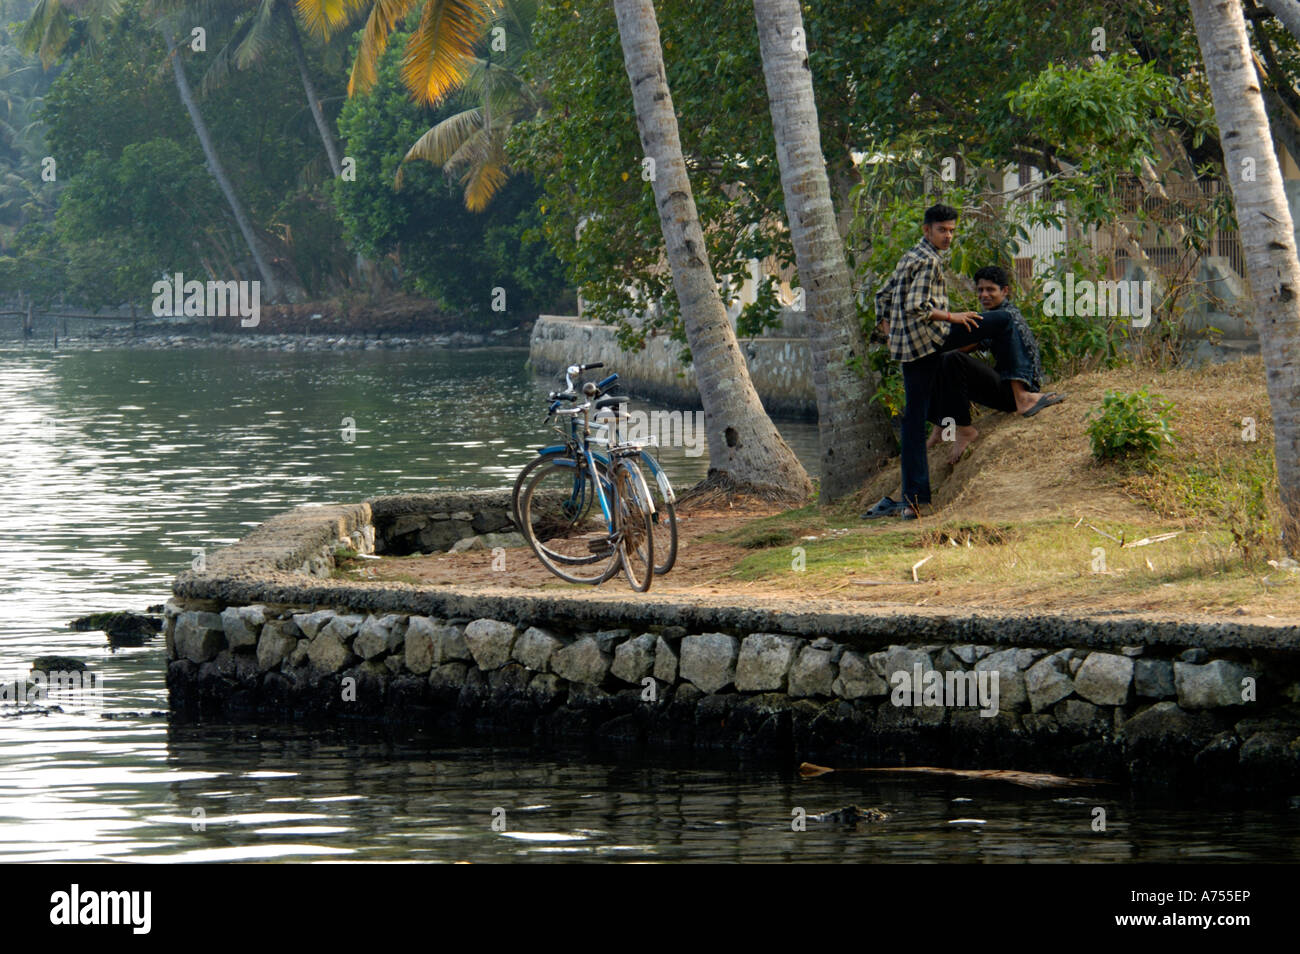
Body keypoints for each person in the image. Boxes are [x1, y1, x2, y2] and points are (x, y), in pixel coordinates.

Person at [866, 205, 1056, 520]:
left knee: (912, 420)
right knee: (1003, 321)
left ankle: (914, 499)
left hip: (910, 347)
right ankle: (1023, 397)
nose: (948, 236)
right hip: (932, 336)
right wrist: (954, 316)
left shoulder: (909, 258)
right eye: (942, 230)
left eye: (952, 230)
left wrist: (888, 334)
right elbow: (917, 306)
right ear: (927, 230)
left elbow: (881, 297)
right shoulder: (928, 261)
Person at [927, 265, 1064, 463]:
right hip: (1001, 390)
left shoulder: (1007, 316)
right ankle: (941, 427)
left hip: (1017, 390)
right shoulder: (992, 317)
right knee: (945, 360)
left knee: (952, 359)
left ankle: (1021, 398)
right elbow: (964, 348)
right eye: (980, 290)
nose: (984, 295)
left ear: (1005, 291)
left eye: (990, 289)